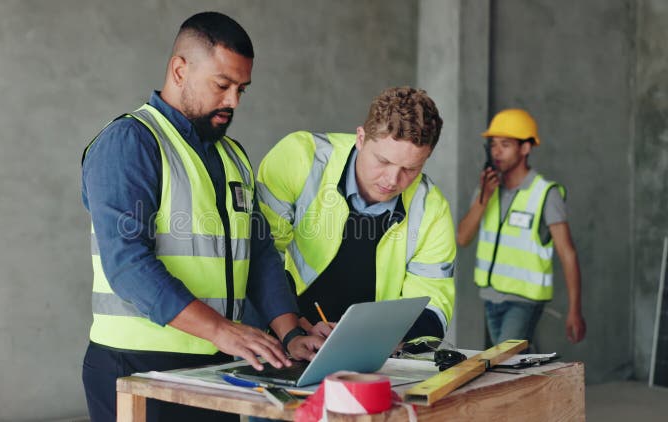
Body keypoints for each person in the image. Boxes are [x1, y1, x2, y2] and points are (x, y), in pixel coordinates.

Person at [80, 12, 322, 422]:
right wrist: (223, 330)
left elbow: (260, 255)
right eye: (222, 85)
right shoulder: (130, 142)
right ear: (179, 69)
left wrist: (291, 333)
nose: (233, 102)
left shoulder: (233, 156)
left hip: (214, 369)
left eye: (242, 89)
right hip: (137, 369)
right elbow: (128, 265)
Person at [248, 86, 456, 342]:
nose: (392, 180)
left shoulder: (431, 208)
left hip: (374, 349)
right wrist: (295, 327)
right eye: (383, 161)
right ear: (360, 138)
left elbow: (433, 304)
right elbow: (261, 257)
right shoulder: (301, 158)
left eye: (411, 169)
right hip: (287, 333)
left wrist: (380, 340)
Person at [456, 108, 586, 348]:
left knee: (506, 360)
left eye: (505, 145)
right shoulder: (488, 188)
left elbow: (568, 253)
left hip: (524, 299)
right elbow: (463, 238)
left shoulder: (546, 193)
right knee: (515, 365)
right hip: (490, 297)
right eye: (493, 144)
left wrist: (574, 310)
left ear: (525, 148)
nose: (496, 152)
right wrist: (483, 197)